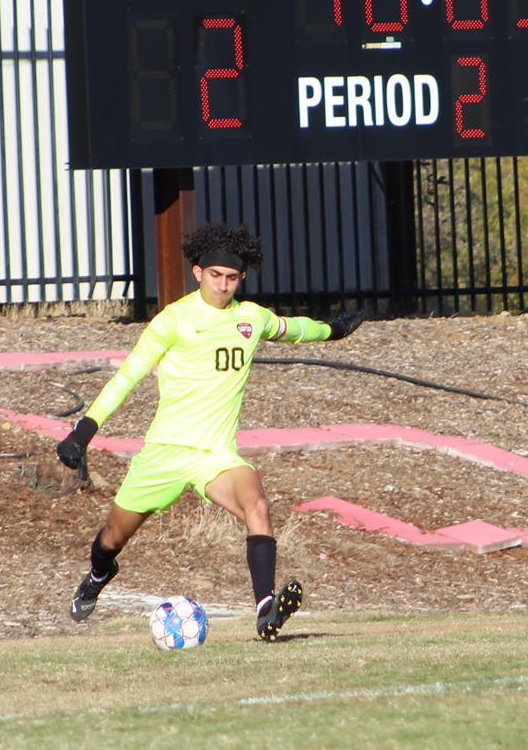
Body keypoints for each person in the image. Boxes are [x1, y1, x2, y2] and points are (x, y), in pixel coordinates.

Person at [55, 222, 364, 641]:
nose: (223, 285)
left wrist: (334, 330)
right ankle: (97, 576)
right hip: (164, 453)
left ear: (242, 278)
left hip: (215, 455)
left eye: (232, 278)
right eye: (215, 275)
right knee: (111, 539)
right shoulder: (173, 320)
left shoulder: (251, 318)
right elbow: (127, 377)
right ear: (198, 272)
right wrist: (84, 432)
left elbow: (292, 329)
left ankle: (265, 609)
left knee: (257, 505)